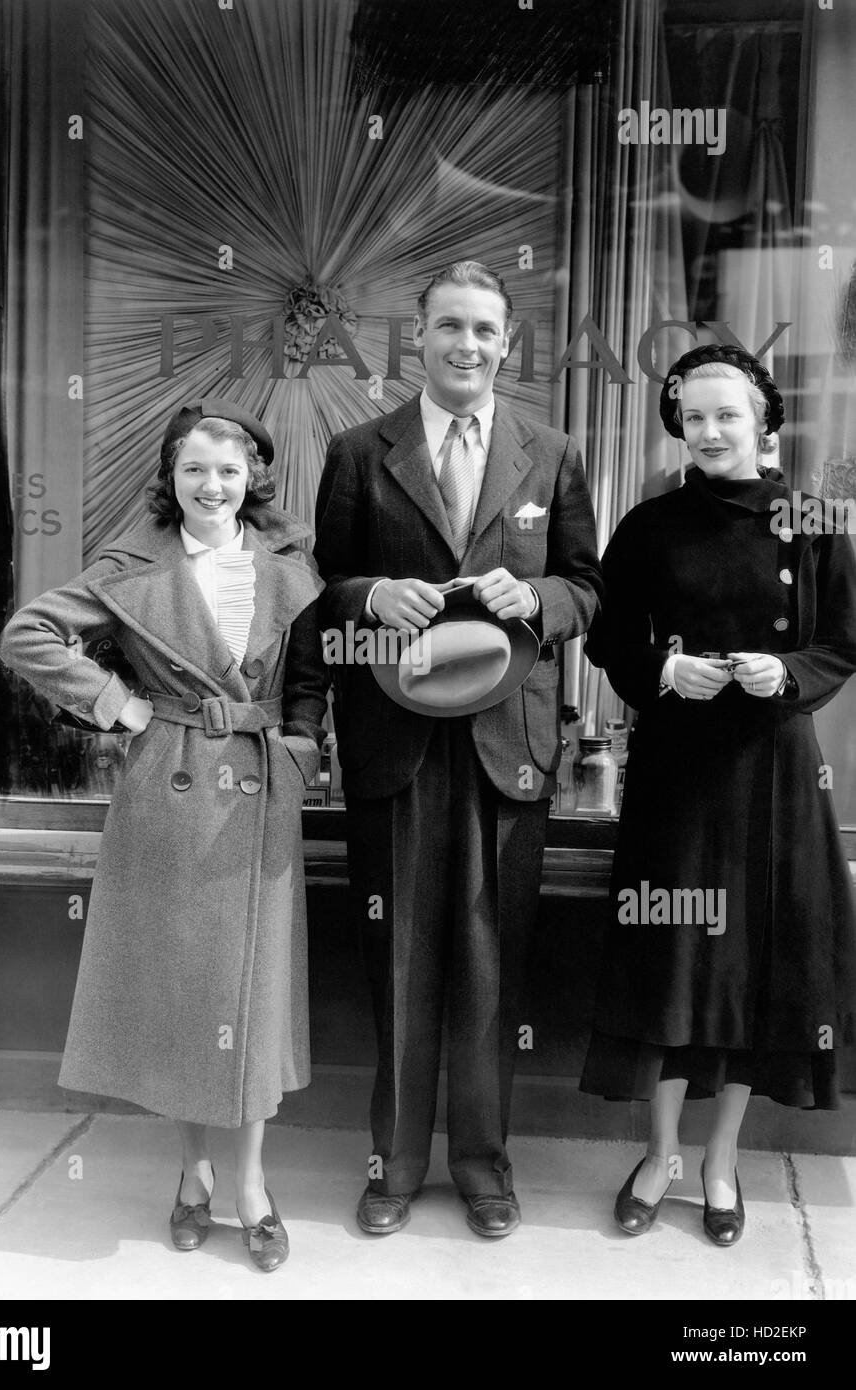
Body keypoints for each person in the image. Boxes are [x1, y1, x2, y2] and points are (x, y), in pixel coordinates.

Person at [0, 399, 329, 1271]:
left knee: (249, 1001)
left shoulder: (288, 562)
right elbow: (26, 634)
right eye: (193, 470)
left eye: (227, 471)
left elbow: (308, 677)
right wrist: (117, 703)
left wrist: (299, 749)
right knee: (190, 995)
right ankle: (192, 1179)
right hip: (173, 790)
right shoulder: (131, 565)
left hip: (259, 792)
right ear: (170, 480)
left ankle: (251, 1186)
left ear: (252, 478)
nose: (211, 486)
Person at [313, 260, 602, 1237]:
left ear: (507, 343)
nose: (466, 345)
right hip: (393, 743)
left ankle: (482, 1165)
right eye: (448, 327)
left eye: (484, 329)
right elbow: (323, 587)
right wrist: (368, 596)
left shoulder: (551, 452)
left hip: (504, 745)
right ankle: (392, 1165)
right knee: (395, 957)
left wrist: (548, 600)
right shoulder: (359, 451)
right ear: (420, 339)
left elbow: (589, 586)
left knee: (490, 967)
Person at [580, 344, 856, 1244]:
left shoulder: (813, 518)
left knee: (753, 969)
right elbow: (609, 642)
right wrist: (665, 667)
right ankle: (658, 1154)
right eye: (693, 416)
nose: (708, 431)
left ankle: (719, 1159)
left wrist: (783, 669)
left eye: (726, 414)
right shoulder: (649, 526)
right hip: (677, 773)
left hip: (775, 769)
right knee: (672, 962)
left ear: (763, 421)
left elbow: (843, 643)